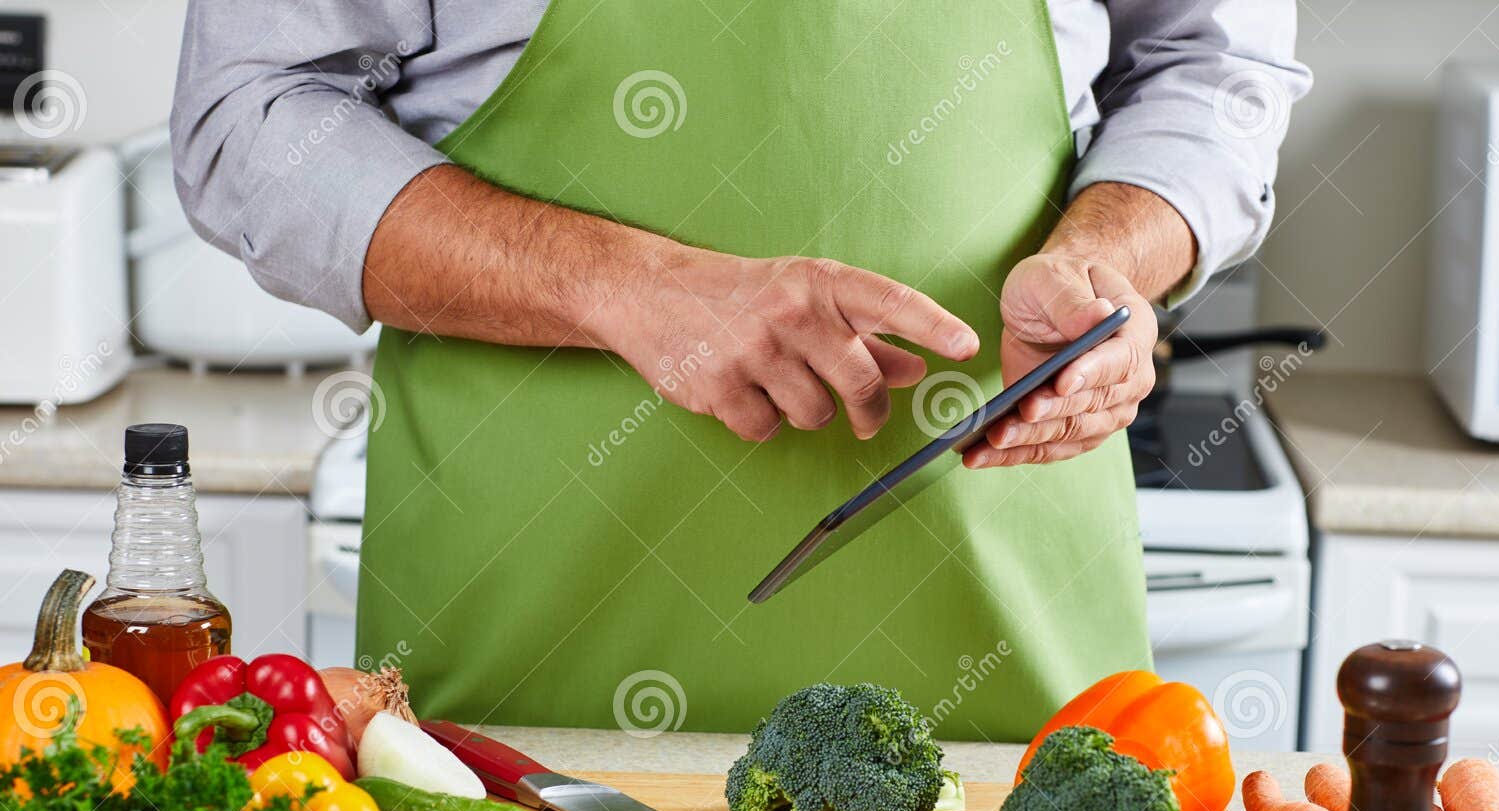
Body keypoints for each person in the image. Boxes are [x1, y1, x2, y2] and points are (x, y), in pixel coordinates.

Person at [172, 1, 1310, 739]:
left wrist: (1110, 252)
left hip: (1012, 680)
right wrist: (628, 287)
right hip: (523, 698)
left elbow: (1211, 59)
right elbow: (249, 117)